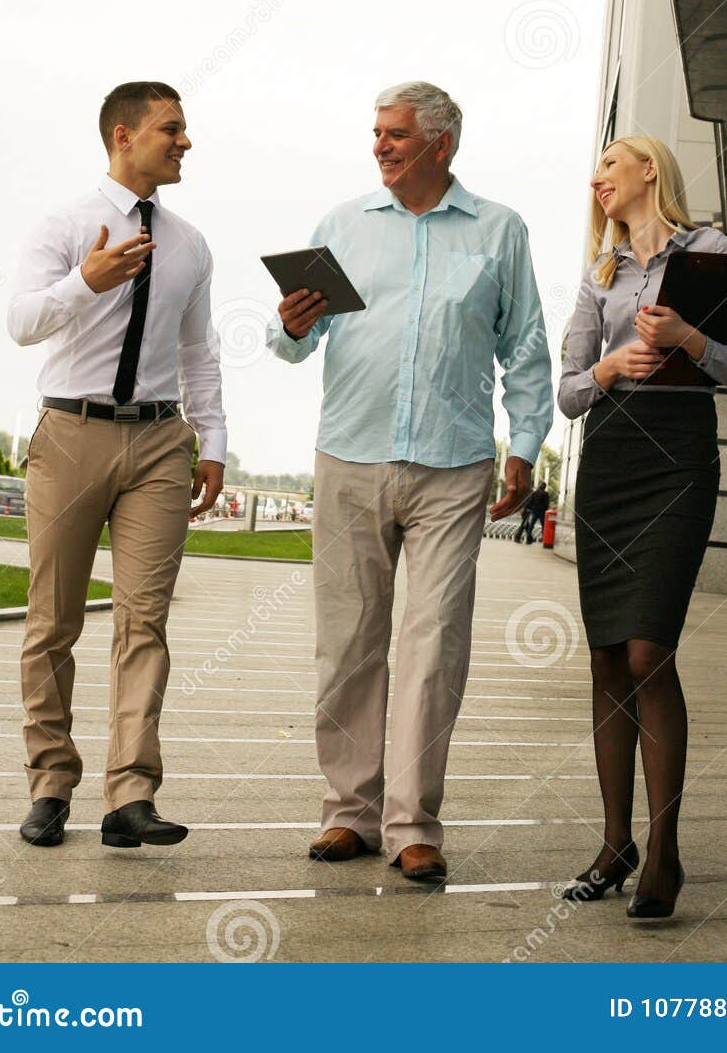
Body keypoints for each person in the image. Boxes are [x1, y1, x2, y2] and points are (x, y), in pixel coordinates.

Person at [268, 81, 553, 884]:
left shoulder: (498, 232)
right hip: (349, 456)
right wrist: (288, 325)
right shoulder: (343, 226)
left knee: (432, 647)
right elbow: (296, 341)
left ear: (440, 144)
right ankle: (347, 815)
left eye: (394, 134)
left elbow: (523, 348)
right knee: (348, 643)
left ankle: (413, 824)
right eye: (376, 133)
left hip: (452, 467)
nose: (380, 146)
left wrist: (524, 446)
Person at [7, 81, 226, 850]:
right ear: (124, 134)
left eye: (185, 129)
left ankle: (130, 795)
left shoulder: (191, 244)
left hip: (161, 441)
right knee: (53, 623)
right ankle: (49, 785)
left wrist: (213, 441)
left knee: (144, 622)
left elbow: (198, 350)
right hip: (71, 432)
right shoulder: (65, 224)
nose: (185, 141)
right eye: (172, 129)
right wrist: (84, 283)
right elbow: (20, 322)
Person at [557, 135, 727, 919]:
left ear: (649, 169)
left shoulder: (710, 252)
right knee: (607, 656)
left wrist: (688, 341)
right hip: (609, 458)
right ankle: (615, 845)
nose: (597, 177)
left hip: (677, 457)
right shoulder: (599, 274)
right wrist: (607, 369)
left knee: (649, 650)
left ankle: (665, 852)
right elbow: (569, 392)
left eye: (610, 162)